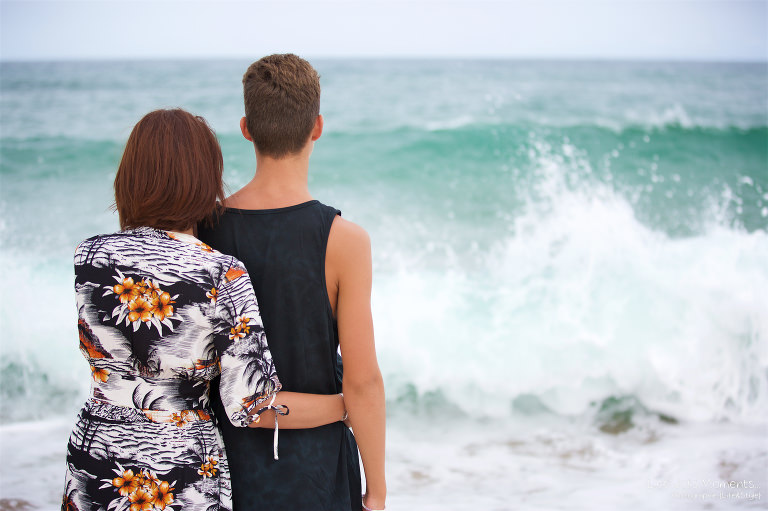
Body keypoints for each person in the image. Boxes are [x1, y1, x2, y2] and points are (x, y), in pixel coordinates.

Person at [61, 108, 348, 511]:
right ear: (205, 179)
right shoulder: (219, 274)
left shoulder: (88, 256)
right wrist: (347, 405)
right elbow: (252, 407)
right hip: (178, 465)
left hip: (97, 449)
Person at [197, 54, 387, 511]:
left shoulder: (203, 229)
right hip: (316, 469)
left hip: (226, 467)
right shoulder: (345, 240)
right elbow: (363, 383)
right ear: (317, 126)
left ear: (246, 128)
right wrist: (377, 492)